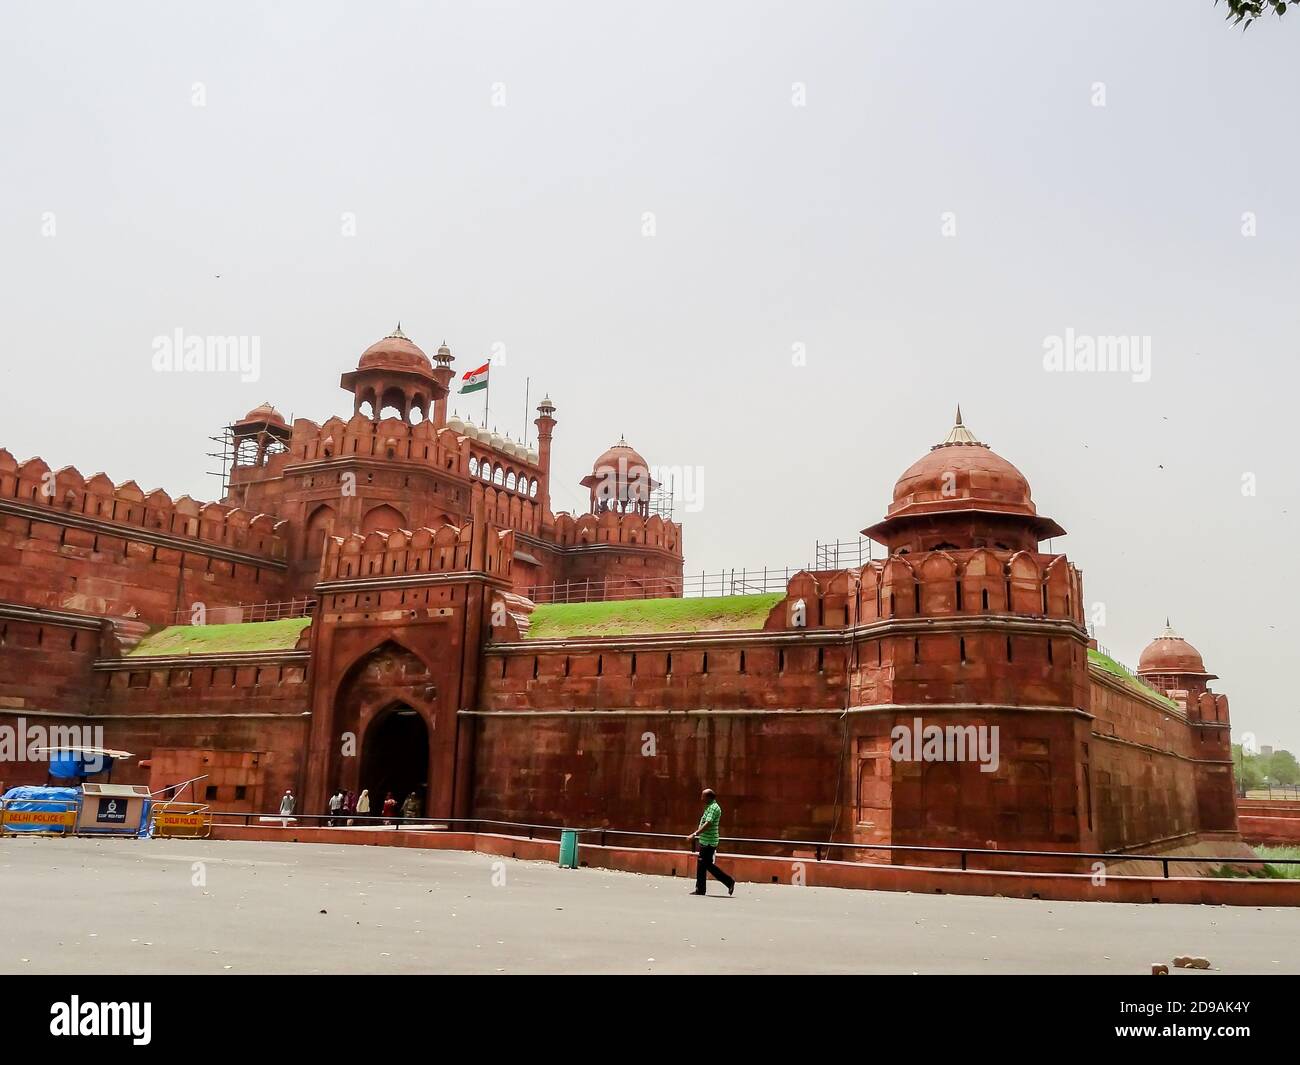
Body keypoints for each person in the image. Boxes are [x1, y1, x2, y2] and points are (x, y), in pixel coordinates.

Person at [686, 787, 734, 897]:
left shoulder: (713, 808)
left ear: (708, 797)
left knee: (706, 864)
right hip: (706, 840)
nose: (701, 798)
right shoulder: (710, 807)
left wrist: (695, 834)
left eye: (703, 796)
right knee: (702, 864)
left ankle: (729, 881)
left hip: (709, 841)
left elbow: (708, 823)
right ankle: (700, 889)